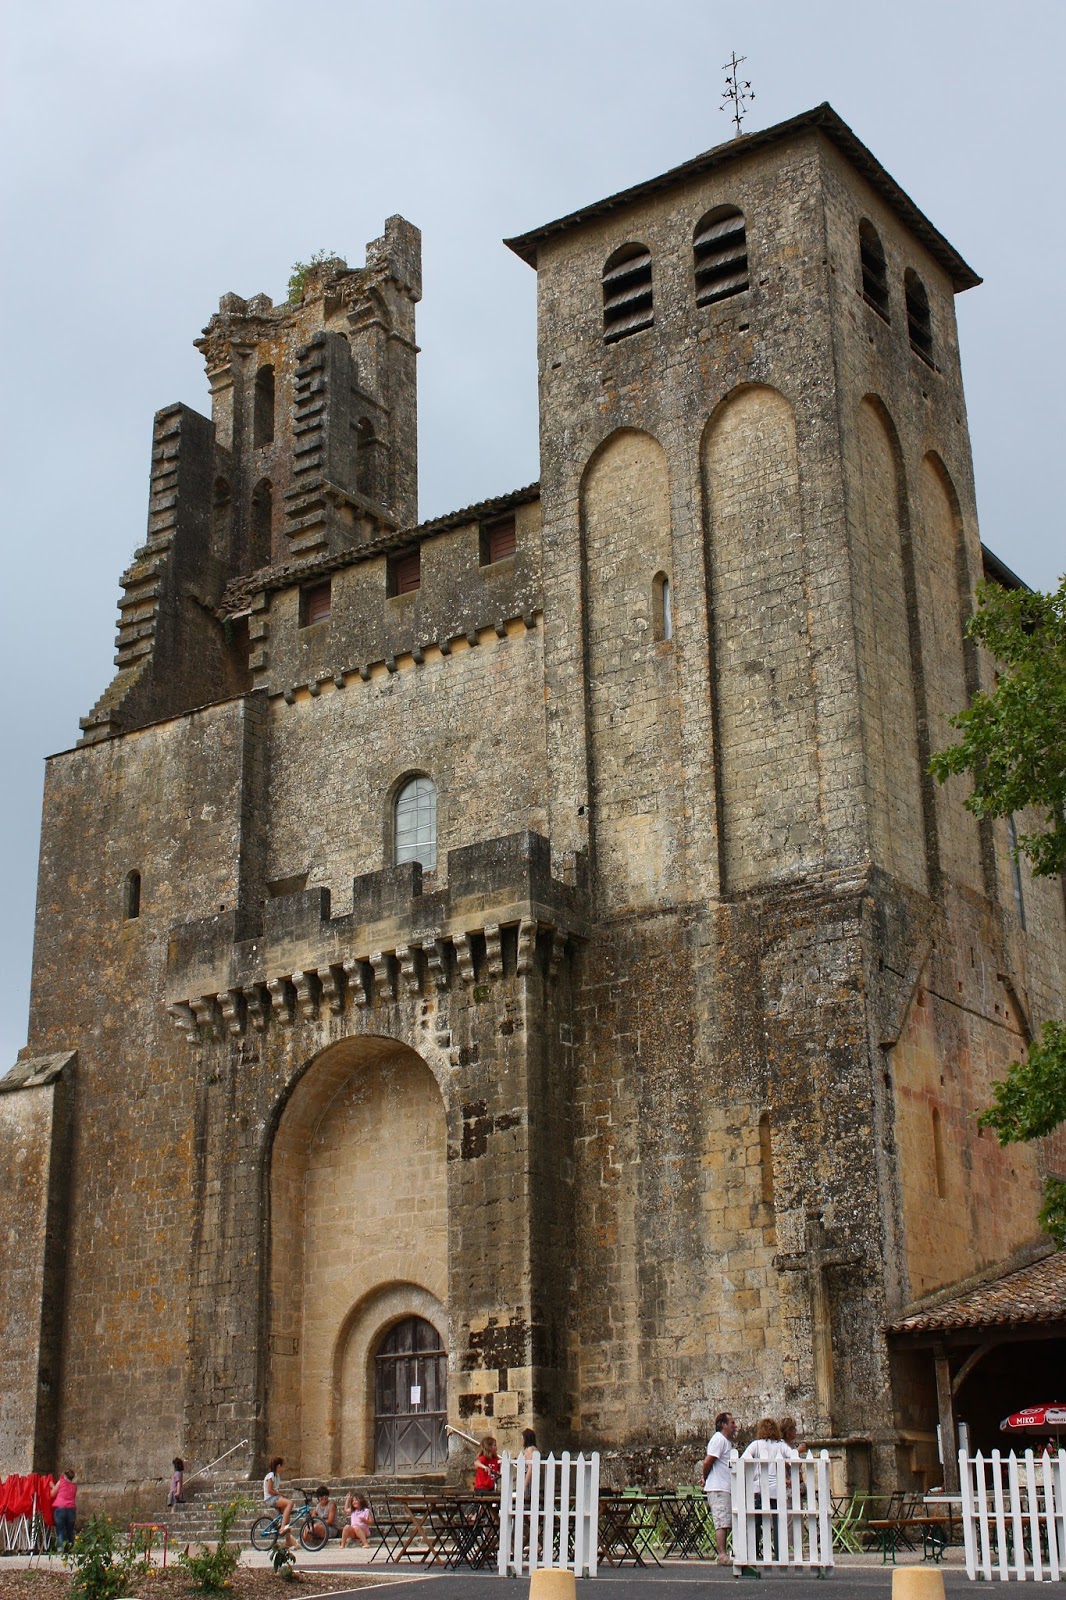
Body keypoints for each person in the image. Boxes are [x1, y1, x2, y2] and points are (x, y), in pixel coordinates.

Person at [702, 1412, 737, 1565]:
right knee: (721, 1520)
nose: (734, 1426)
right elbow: (708, 1462)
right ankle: (722, 1554)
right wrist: (706, 1477)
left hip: (724, 1486)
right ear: (723, 1424)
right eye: (732, 1423)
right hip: (718, 1487)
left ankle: (725, 1552)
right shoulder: (718, 1440)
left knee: (726, 1520)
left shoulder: (725, 1442)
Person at [263, 1457, 295, 1548]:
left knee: (287, 1514)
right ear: (278, 1466)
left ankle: (288, 1540)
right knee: (289, 1503)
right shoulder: (271, 1475)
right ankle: (282, 1528)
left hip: (275, 1497)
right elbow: (270, 1490)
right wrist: (280, 1494)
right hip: (270, 1498)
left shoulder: (277, 1476)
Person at [51, 1468, 77, 1551]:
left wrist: (52, 1486)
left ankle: (60, 1548)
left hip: (60, 1509)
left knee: (60, 1530)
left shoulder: (61, 1481)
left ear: (64, 1476)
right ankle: (71, 1548)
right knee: (70, 1530)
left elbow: (52, 1494)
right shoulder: (74, 1487)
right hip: (71, 1510)